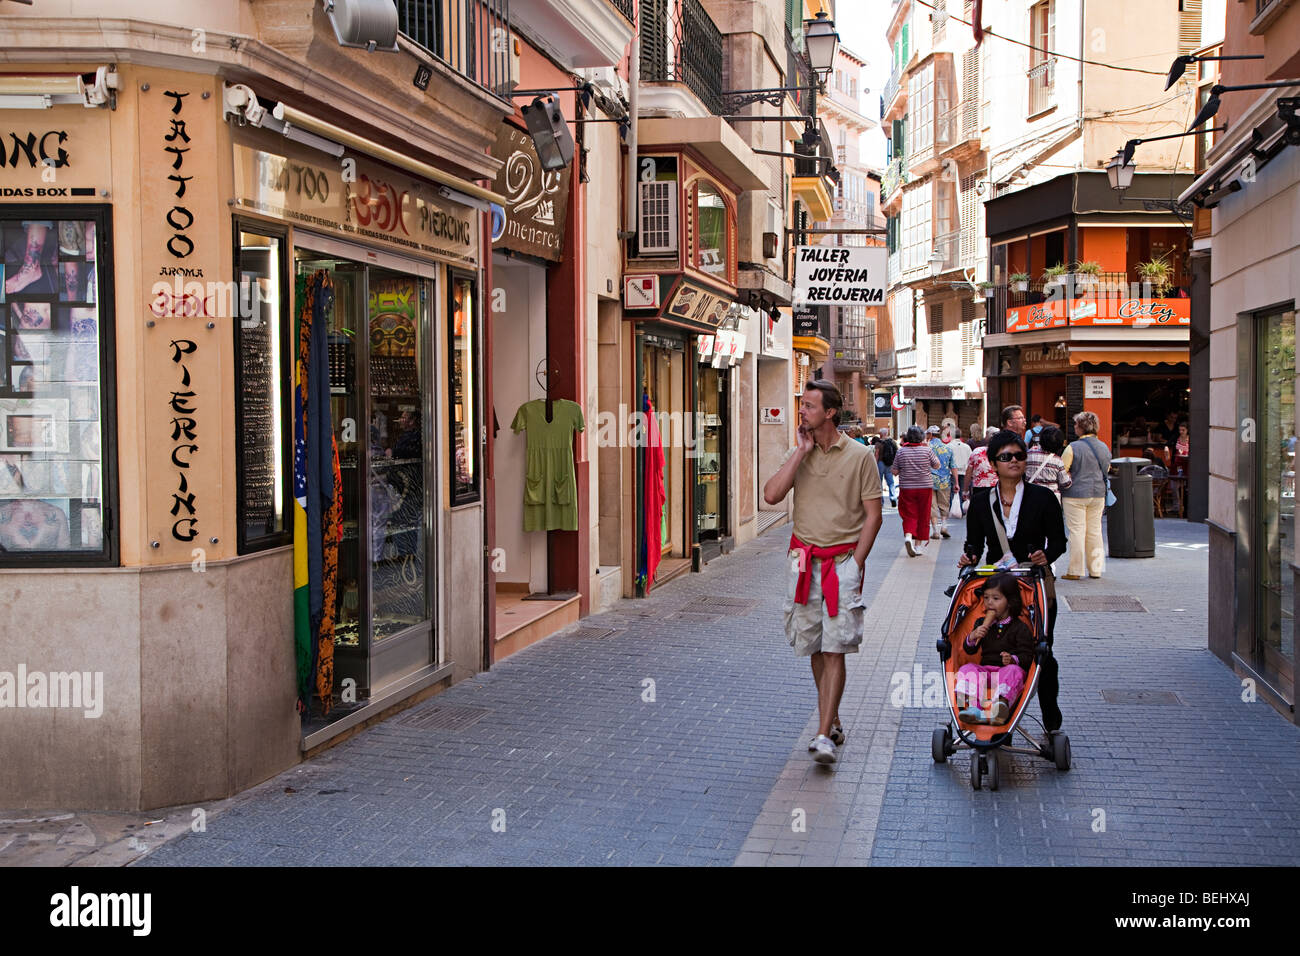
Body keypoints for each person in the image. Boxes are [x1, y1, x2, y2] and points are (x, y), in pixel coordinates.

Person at [763, 380, 883, 765]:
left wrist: (856, 564)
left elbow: (873, 516)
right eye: (802, 405)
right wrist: (800, 453)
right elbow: (771, 495)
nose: (802, 411)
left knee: (835, 648)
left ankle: (822, 733)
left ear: (831, 412)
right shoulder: (801, 451)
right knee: (815, 646)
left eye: (810, 406)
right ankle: (831, 720)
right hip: (802, 563)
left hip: (840, 565)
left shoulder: (860, 456)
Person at [959, 430, 1067, 732]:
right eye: (1006, 457)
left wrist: (1046, 555)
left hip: (1036, 583)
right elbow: (974, 545)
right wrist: (968, 557)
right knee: (993, 643)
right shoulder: (981, 502)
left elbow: (1059, 540)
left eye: (1020, 456)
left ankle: (1050, 716)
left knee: (1042, 648)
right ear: (993, 463)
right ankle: (996, 708)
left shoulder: (1043, 498)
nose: (1015, 461)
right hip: (998, 588)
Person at [956, 573, 1037, 724]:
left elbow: (1027, 656)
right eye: (986, 598)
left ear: (1010, 602)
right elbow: (970, 650)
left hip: (1006, 673)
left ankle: (999, 708)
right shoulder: (981, 622)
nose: (989, 603)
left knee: (1015, 671)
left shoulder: (1019, 628)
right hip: (986, 672)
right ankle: (974, 710)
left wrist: (1013, 659)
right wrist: (972, 637)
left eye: (996, 598)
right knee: (967, 669)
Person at [1059, 410, 1111, 580]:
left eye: (1075, 424)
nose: (1074, 427)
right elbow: (1107, 469)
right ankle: (1096, 570)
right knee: (1095, 531)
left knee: (1076, 531)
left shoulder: (1072, 447)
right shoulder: (1104, 447)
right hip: (1098, 493)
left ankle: (1075, 570)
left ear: (1081, 427)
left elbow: (1063, 471)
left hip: (1075, 494)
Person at [892, 425, 941, 556]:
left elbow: (894, 471)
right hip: (925, 487)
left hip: (907, 488)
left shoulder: (901, 452)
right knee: (923, 515)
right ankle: (918, 546)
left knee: (909, 514)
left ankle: (908, 536)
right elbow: (937, 465)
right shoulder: (927, 451)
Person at [966, 405, 1028, 493]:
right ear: (1009, 422)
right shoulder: (1001, 441)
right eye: (1020, 418)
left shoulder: (1019, 440)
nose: (1024, 420)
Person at [1026, 425, 1073, 500]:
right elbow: (1066, 484)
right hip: (1050, 498)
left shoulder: (1029, 453)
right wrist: (1069, 475)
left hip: (1031, 495)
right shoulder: (1058, 461)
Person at [927, 425, 954, 539]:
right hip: (945, 481)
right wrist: (956, 482)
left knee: (932, 506)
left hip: (929, 481)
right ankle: (944, 526)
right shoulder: (947, 448)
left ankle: (935, 531)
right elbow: (953, 467)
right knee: (944, 505)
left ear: (931, 435)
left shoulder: (927, 448)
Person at [948, 426, 972, 516]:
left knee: (952, 490)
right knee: (961, 490)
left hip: (951, 472)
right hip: (964, 472)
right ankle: (960, 509)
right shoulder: (967, 447)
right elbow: (970, 459)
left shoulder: (948, 446)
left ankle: (952, 508)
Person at [872, 427, 898, 506]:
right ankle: (893, 498)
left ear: (881, 434)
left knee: (879, 482)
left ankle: (881, 502)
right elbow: (896, 452)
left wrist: (875, 465)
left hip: (880, 463)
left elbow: (876, 454)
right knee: (891, 482)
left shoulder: (878, 443)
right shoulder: (892, 442)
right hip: (889, 463)